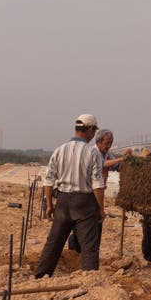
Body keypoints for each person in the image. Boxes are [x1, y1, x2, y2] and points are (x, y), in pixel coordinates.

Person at [35, 114, 105, 278]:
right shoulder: (92, 153)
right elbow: (97, 184)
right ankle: (90, 279)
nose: (94, 134)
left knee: (54, 243)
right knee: (89, 246)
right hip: (85, 203)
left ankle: (41, 276)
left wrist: (49, 204)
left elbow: (49, 180)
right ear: (89, 130)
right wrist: (101, 208)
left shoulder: (60, 150)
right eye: (94, 131)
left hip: (63, 201)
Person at [67, 129, 129, 253]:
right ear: (99, 142)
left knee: (96, 224)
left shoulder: (108, 154)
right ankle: (75, 249)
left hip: (97, 194)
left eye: (110, 143)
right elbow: (103, 164)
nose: (109, 146)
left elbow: (117, 166)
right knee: (83, 225)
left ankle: (90, 252)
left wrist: (129, 161)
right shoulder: (92, 152)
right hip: (86, 194)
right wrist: (121, 159)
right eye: (107, 143)